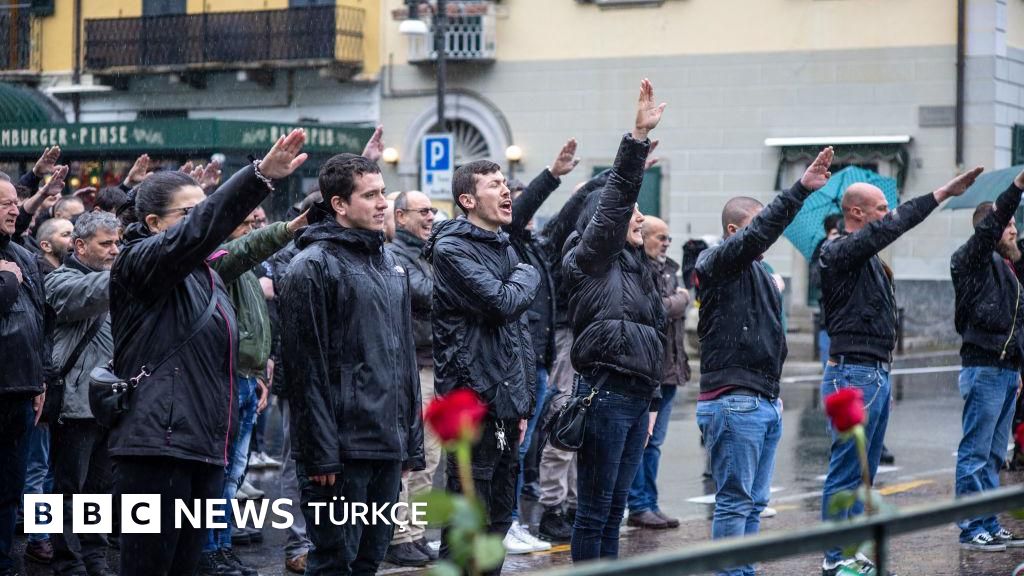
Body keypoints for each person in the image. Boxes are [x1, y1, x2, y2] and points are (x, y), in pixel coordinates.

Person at [109, 128, 309, 576]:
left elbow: (236, 250)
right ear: (154, 223)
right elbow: (204, 229)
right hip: (156, 446)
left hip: (203, 444)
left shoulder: (207, 274)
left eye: (204, 208)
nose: (202, 221)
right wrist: (257, 176)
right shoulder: (138, 262)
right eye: (190, 213)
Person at [818, 166, 982, 575]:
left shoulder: (867, 258)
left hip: (872, 372)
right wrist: (941, 193)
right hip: (854, 372)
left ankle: (852, 551)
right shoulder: (838, 251)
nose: (888, 215)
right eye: (881, 209)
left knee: (864, 473)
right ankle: (834, 558)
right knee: (846, 471)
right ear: (857, 213)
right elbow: (893, 226)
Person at [280, 153, 424, 576]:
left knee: (369, 560)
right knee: (334, 562)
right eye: (370, 195)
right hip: (342, 452)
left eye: (383, 193)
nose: (382, 203)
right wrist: (321, 455)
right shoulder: (311, 265)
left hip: (386, 445)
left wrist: (409, 443)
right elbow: (305, 371)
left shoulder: (390, 264)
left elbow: (404, 360)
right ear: (339, 204)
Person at [696, 147, 834, 576]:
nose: (767, 236)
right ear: (733, 230)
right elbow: (758, 235)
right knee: (735, 501)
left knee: (755, 502)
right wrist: (799, 190)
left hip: (763, 399)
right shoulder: (716, 261)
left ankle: (743, 570)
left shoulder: (761, 272)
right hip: (734, 400)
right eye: (756, 227)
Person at [561, 79, 665, 563]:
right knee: (595, 511)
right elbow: (614, 206)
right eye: (634, 213)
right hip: (605, 393)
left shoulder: (637, 266)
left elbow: (655, 337)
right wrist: (637, 140)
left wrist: (653, 401)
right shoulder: (591, 258)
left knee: (615, 510)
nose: (640, 220)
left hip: (637, 396)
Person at [424, 156, 540, 575]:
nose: (506, 190)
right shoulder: (452, 249)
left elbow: (516, 335)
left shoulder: (503, 245)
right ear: (468, 200)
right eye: (494, 184)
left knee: (498, 521)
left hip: (505, 405)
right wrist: (528, 275)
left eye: (504, 182)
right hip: (474, 405)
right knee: (469, 525)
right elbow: (502, 303)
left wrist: (522, 403)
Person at [200, 207, 309, 576]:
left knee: (233, 474)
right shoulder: (221, 259)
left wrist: (263, 366)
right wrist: (287, 228)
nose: (252, 229)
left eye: (255, 224)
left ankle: (222, 546)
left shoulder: (246, 269)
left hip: (248, 376)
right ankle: (209, 550)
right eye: (245, 223)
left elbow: (257, 322)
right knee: (220, 472)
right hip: (228, 378)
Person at [502, 139, 580, 554]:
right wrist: (550, 175)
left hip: (537, 361)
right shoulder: (509, 241)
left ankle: (510, 521)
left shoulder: (535, 245)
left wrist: (611, 179)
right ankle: (506, 523)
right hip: (519, 362)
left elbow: (564, 220)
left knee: (520, 448)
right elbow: (520, 214)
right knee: (510, 450)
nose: (525, 213)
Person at [536, 171, 612, 543]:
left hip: (589, 337)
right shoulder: (563, 243)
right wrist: (621, 169)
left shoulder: (602, 246)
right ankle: (552, 507)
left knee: (586, 424)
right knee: (565, 419)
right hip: (568, 336)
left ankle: (573, 504)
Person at [950, 169, 1024, 551]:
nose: (1014, 229)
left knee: (995, 454)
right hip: (984, 368)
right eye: (1008, 224)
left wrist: (1018, 367)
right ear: (990, 229)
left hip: (1006, 370)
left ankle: (989, 522)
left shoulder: (1009, 267)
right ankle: (970, 527)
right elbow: (990, 229)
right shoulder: (972, 260)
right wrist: (1016, 188)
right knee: (976, 453)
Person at [44, 211, 121, 576]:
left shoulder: (115, 278)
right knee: (67, 490)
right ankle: (67, 562)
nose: (115, 250)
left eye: (117, 243)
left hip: (109, 405)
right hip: (74, 405)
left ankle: (94, 558)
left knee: (98, 491)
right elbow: (87, 295)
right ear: (79, 246)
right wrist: (133, 271)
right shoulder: (59, 280)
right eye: (106, 244)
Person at [385, 189, 441, 567]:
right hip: (412, 369)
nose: (430, 217)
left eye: (432, 211)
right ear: (401, 216)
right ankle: (397, 536)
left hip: (435, 367)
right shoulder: (393, 254)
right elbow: (426, 294)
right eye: (422, 211)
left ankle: (416, 532)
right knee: (408, 460)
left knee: (430, 460)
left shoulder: (427, 254)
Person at [0, 169, 49, 576]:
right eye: (4, 204)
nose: (14, 210)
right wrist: (5, 283)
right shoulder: (12, 267)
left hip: (20, 390)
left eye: (15, 202)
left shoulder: (23, 256)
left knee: (10, 488)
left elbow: (40, 321)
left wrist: (40, 380)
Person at [627, 215, 689, 529]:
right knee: (642, 441)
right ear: (643, 236)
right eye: (660, 237)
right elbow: (658, 311)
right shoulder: (639, 269)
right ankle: (638, 505)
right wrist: (681, 299)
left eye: (668, 238)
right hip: (648, 370)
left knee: (654, 443)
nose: (666, 244)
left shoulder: (668, 270)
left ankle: (649, 502)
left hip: (669, 370)